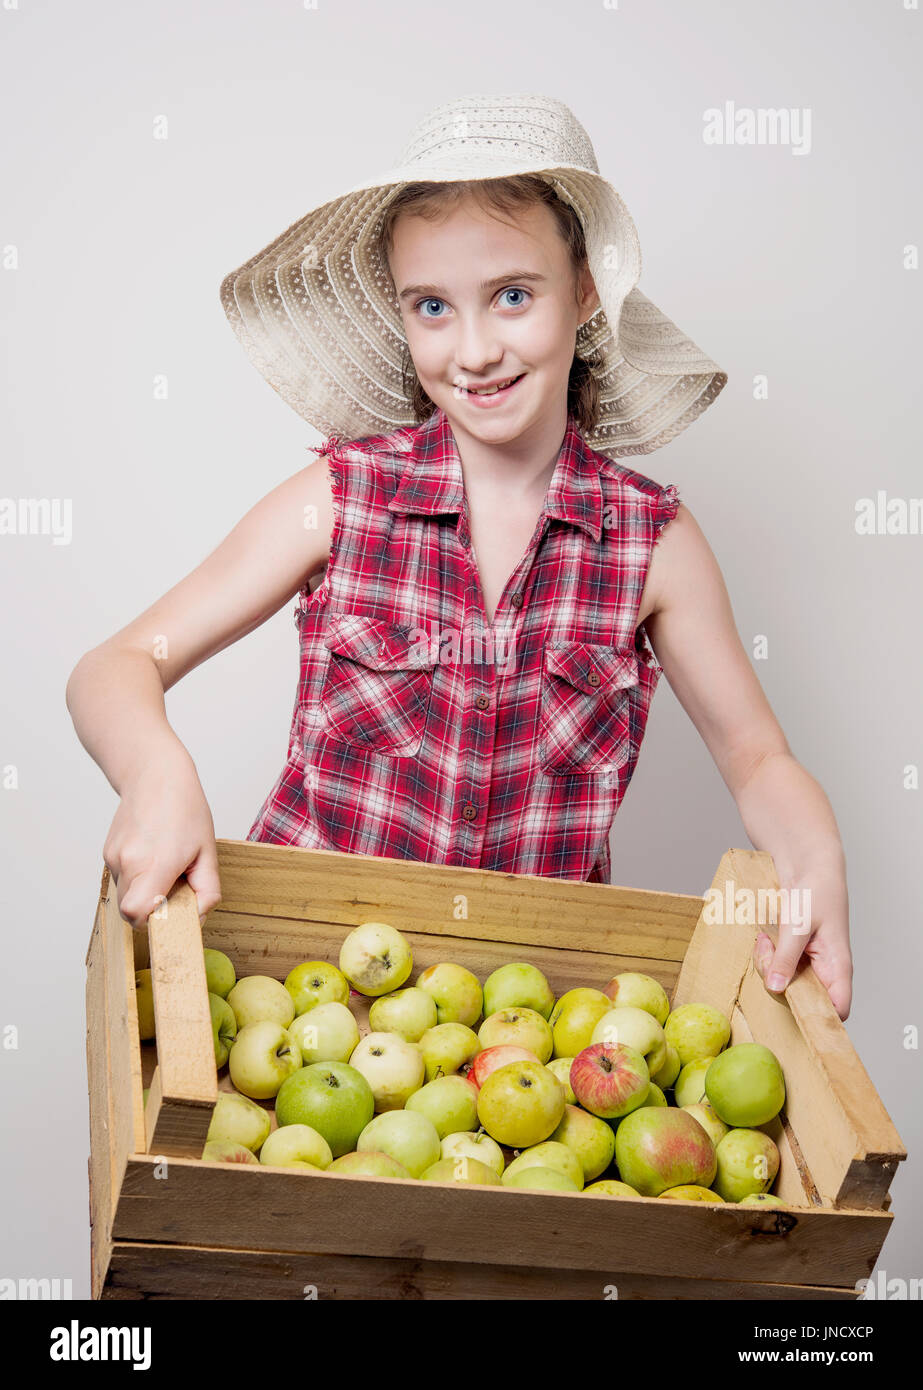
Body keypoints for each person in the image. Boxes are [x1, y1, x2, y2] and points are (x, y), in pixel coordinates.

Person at [65, 93, 852, 1020]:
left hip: (530, 1034)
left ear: (586, 288)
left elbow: (756, 759)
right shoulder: (340, 501)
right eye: (432, 307)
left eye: (512, 296)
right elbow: (114, 667)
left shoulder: (653, 547)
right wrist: (158, 771)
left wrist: (813, 856)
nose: (474, 352)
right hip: (304, 997)